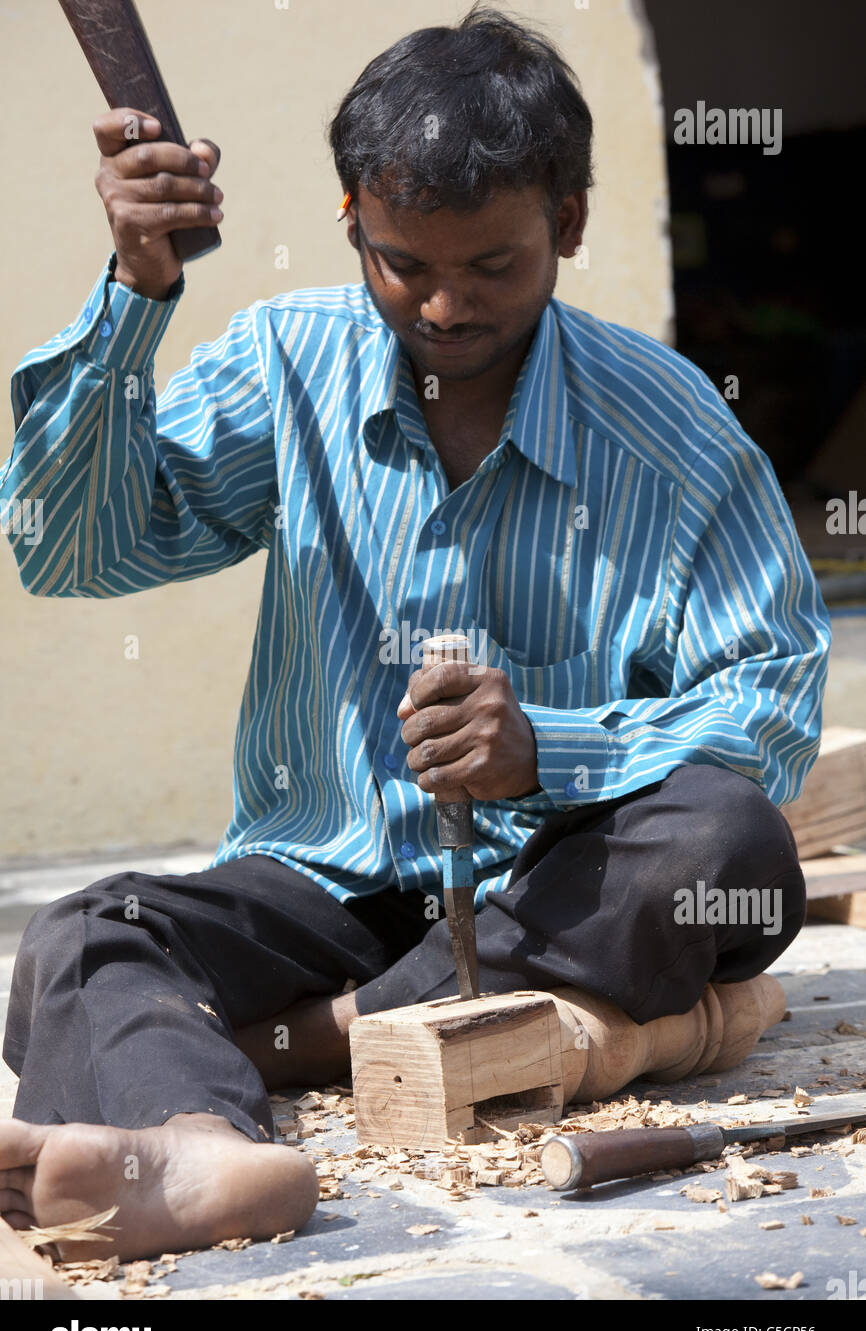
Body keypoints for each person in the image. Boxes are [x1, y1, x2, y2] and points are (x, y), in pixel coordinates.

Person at [0, 8, 829, 1261]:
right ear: (349, 220)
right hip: (322, 878)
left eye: (492, 266)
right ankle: (199, 1143)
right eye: (401, 264)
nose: (444, 305)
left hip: (552, 889)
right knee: (85, 935)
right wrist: (136, 293)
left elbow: (767, 707)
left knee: (723, 839)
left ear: (568, 222)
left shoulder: (671, 433)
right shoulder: (288, 363)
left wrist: (547, 749)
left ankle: (306, 1038)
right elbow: (73, 548)